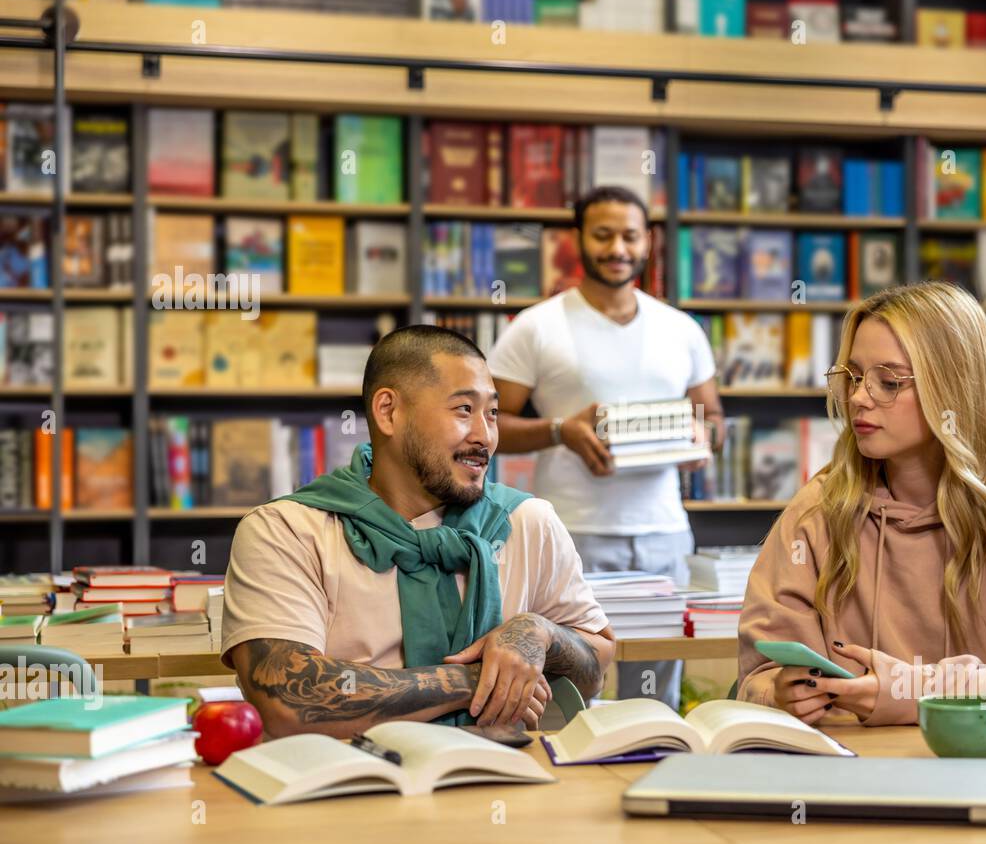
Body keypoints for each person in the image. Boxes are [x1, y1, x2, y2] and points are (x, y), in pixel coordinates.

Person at [737, 281, 986, 726]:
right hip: (852, 776)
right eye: (854, 377)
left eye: (888, 381)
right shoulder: (816, 512)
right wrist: (779, 692)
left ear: (954, 389)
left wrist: (910, 688)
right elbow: (756, 678)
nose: (858, 397)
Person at [221, 325, 615, 738]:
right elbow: (289, 702)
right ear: (389, 411)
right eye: (464, 409)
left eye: (492, 413)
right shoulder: (286, 530)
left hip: (502, 783)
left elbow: (595, 669)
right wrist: (477, 681)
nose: (485, 436)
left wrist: (540, 633)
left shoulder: (528, 521)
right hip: (341, 784)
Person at [487, 185, 725, 709]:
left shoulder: (679, 328)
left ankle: (656, 769)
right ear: (578, 240)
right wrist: (559, 431)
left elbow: (714, 421)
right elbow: (488, 423)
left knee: (659, 684)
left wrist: (700, 443)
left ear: (647, 243)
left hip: (663, 533)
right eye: (603, 234)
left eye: (629, 235)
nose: (617, 247)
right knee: (571, 681)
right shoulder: (535, 326)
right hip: (574, 533)